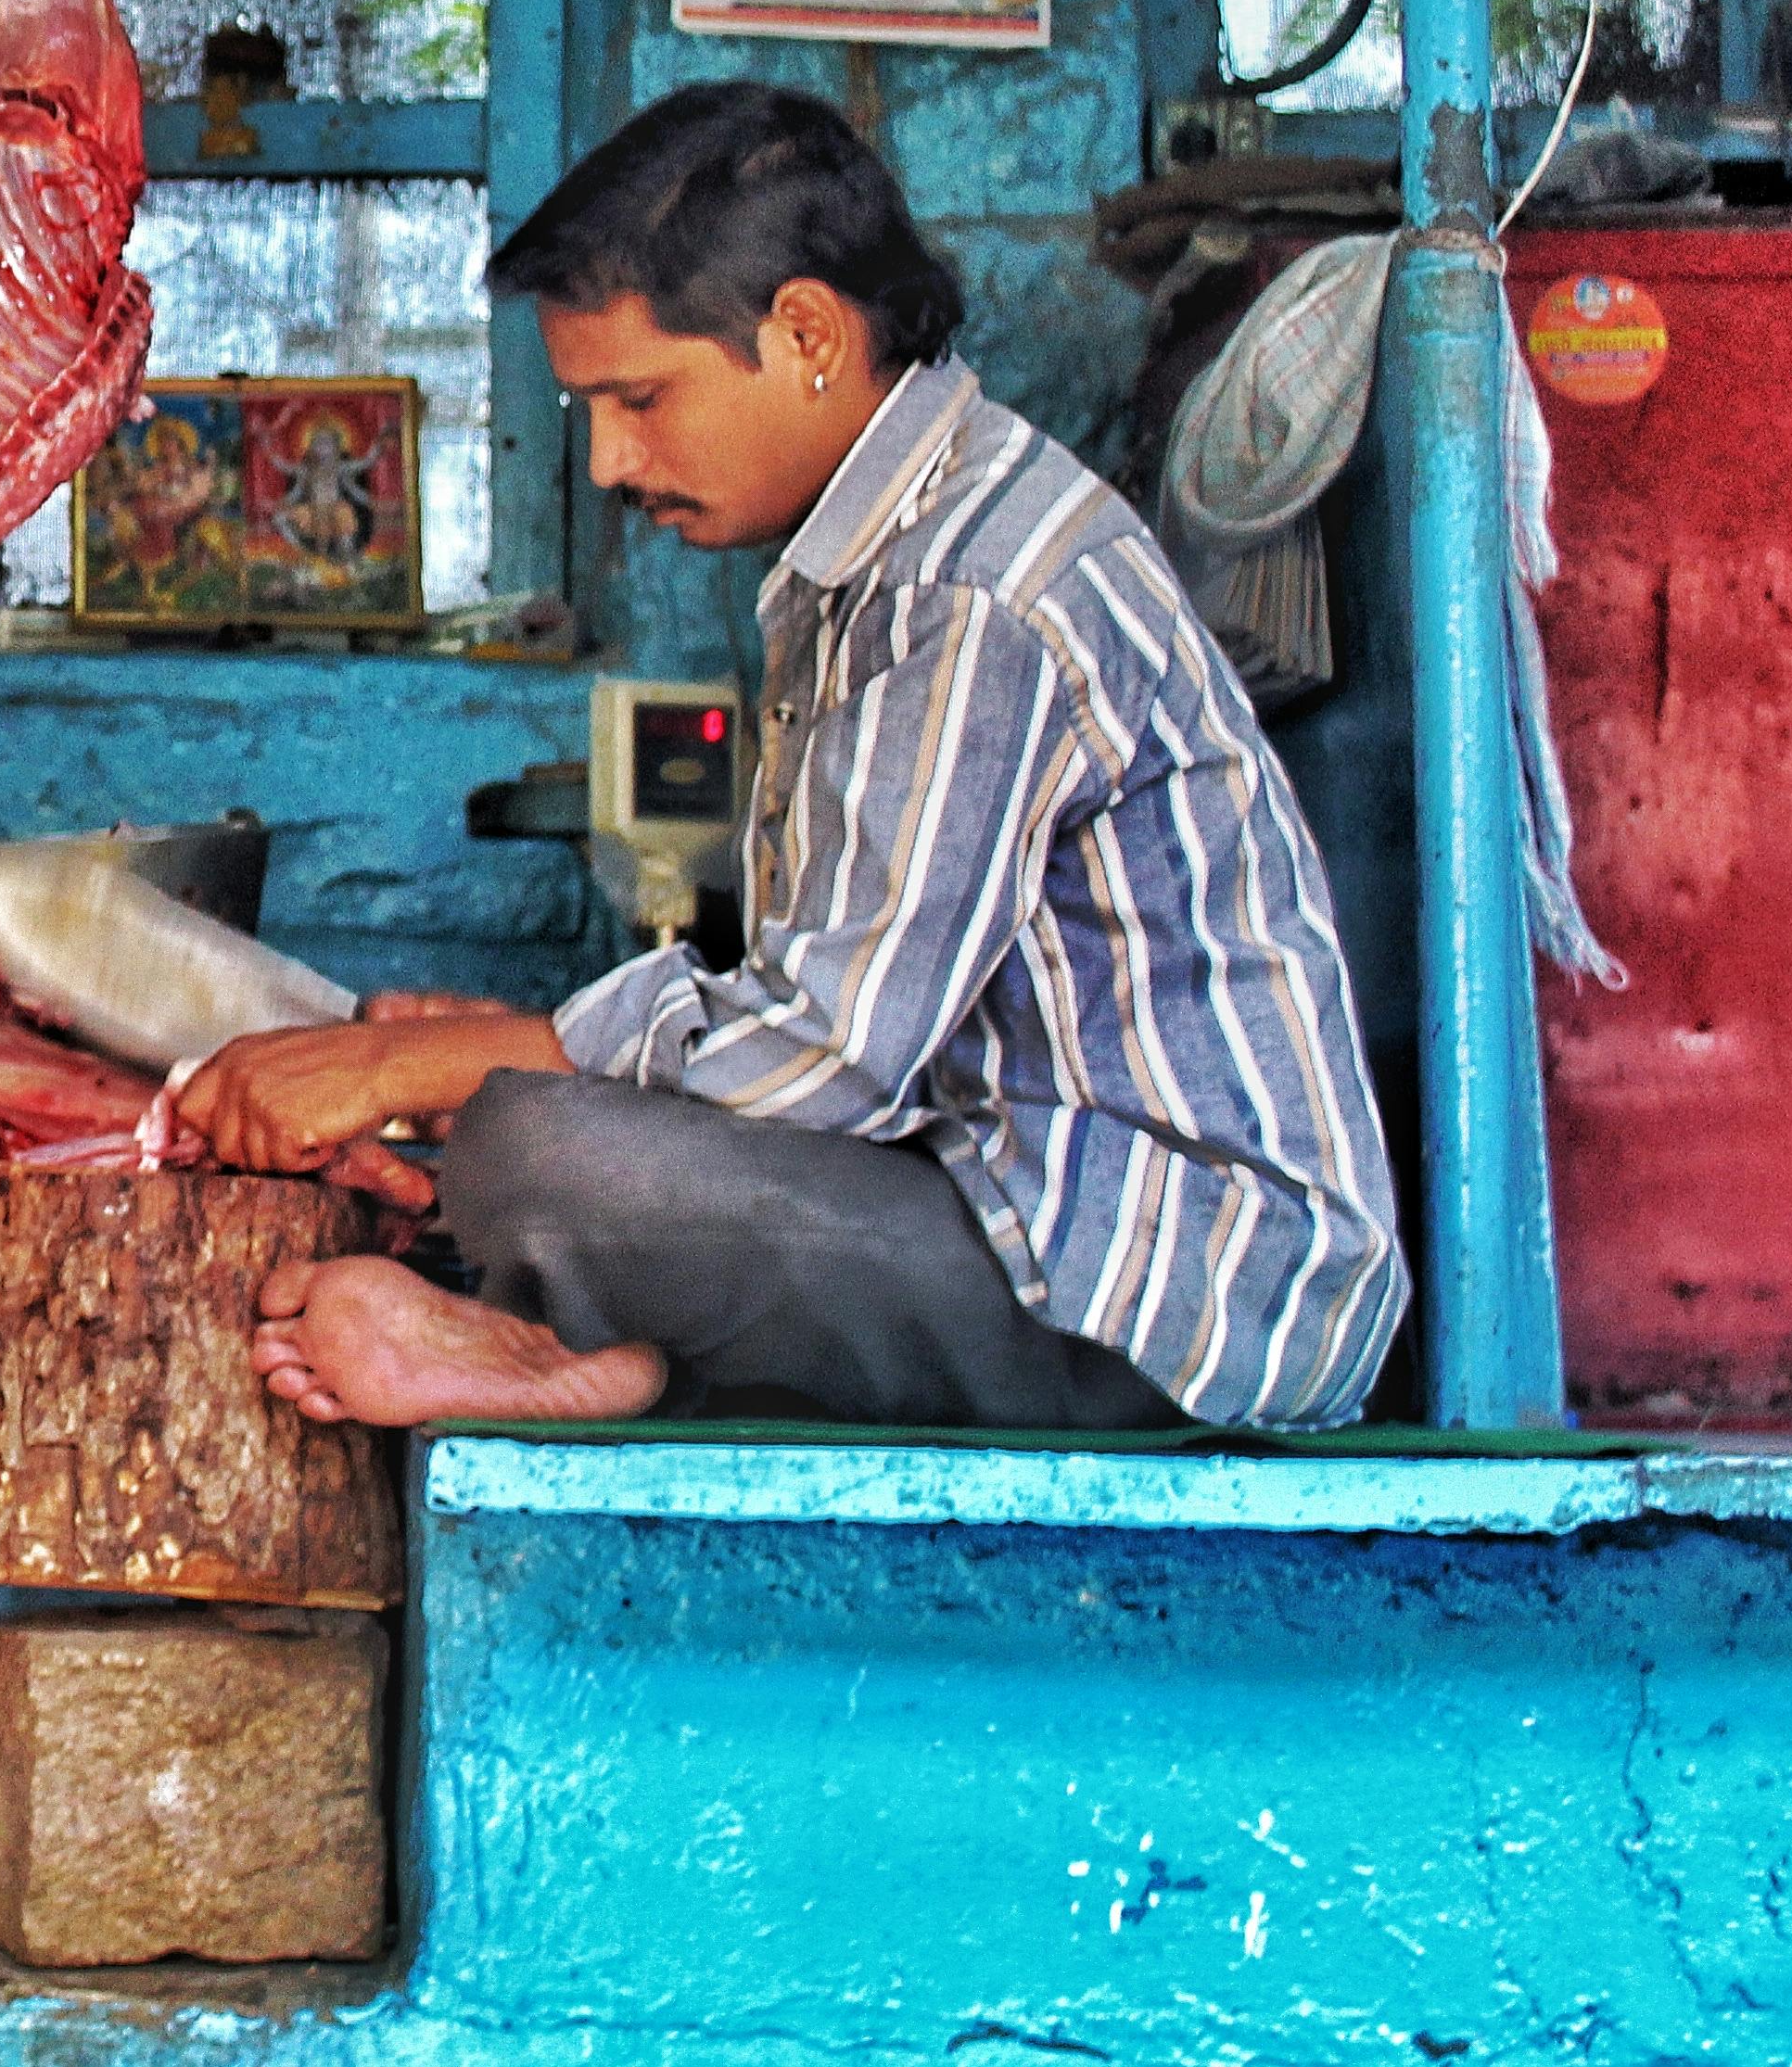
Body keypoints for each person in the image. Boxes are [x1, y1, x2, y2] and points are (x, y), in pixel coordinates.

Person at [183, 82, 1404, 1434]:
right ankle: (631, 1366)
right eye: (590, 410)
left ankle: (606, 1363)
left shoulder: (967, 591)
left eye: (641, 397)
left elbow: (825, 1059)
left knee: (541, 1153)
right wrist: (495, 1050)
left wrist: (413, 1071)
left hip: (1190, 1304)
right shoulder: (890, 552)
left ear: (808, 334)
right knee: (531, 1117)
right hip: (1034, 1218)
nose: (609, 461)